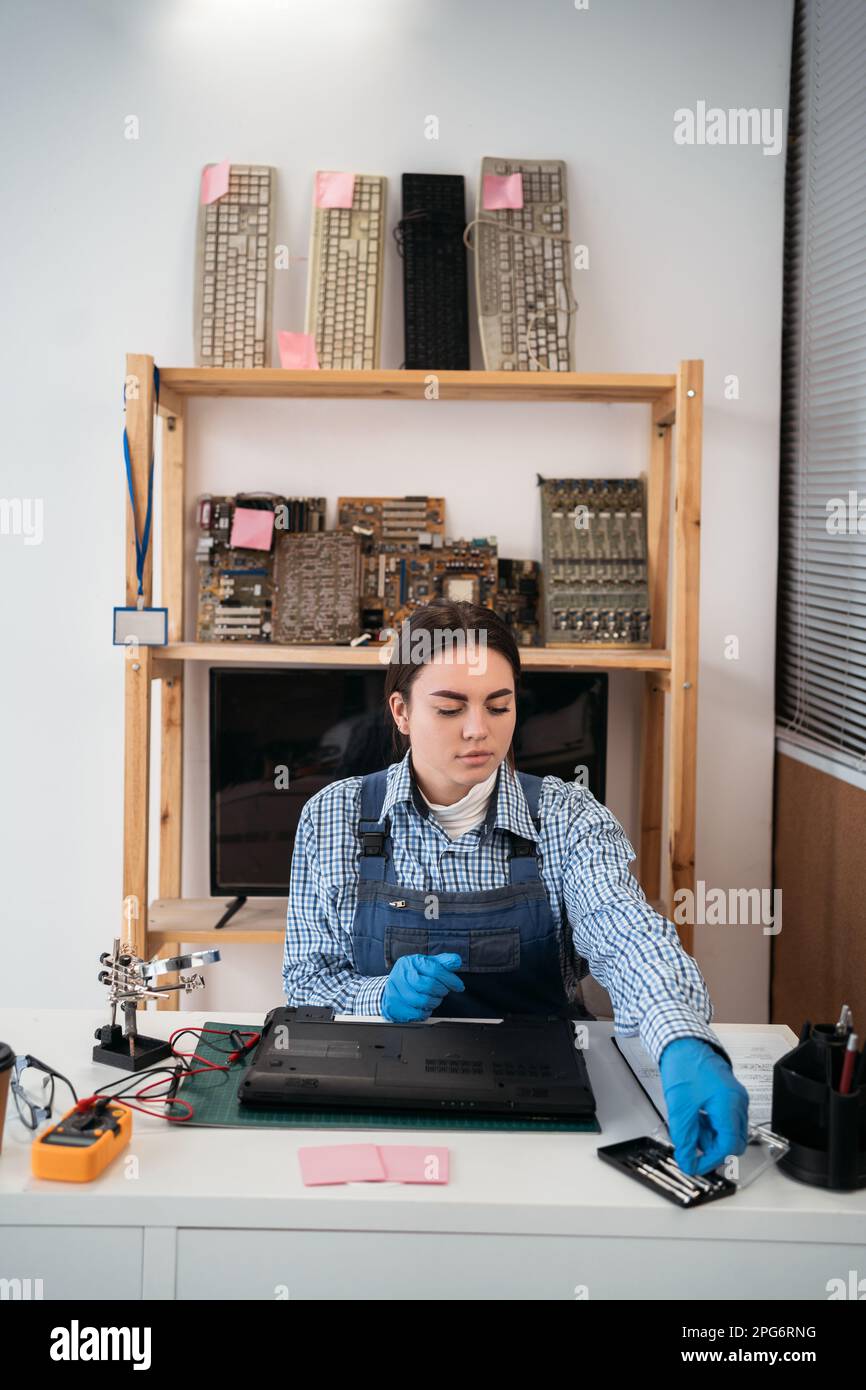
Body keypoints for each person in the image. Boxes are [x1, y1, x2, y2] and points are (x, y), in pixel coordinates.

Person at [283, 600, 749, 1175]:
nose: (479, 729)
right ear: (401, 712)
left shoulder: (568, 817)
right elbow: (306, 982)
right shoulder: (332, 817)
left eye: (498, 706)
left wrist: (682, 1042)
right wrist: (380, 997)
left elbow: (628, 936)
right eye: (450, 708)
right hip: (380, 1099)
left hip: (544, 1101)